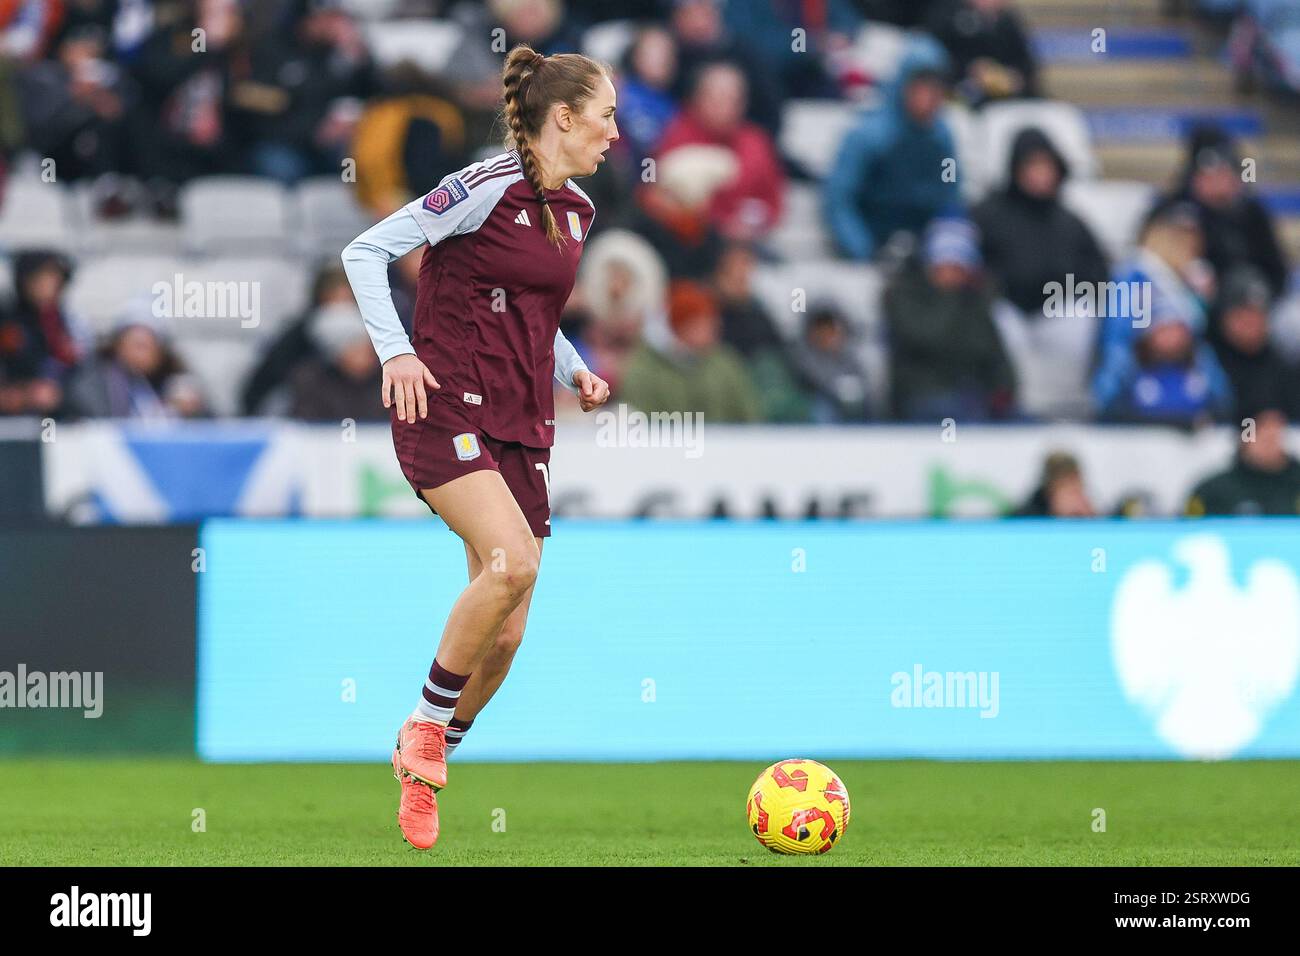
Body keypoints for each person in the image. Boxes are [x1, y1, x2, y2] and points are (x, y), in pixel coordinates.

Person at [340, 46, 614, 851]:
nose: (615, 132)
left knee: (508, 634)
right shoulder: (482, 187)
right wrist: (396, 352)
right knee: (513, 564)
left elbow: (531, 310)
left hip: (526, 422)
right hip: (443, 402)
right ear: (562, 117)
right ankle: (426, 729)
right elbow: (366, 251)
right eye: (606, 115)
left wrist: (574, 367)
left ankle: (425, 760)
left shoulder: (578, 211)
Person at [1092, 199, 1233, 426]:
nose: (1188, 241)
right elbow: (1117, 337)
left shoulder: (1195, 276)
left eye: (1192, 233)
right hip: (1140, 360)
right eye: (1178, 233)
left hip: (1186, 359)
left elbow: (1202, 332)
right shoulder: (1136, 272)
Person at [823, 35, 961, 261]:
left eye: (937, 88)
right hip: (872, 247)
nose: (931, 97)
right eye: (923, 87)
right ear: (904, 86)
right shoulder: (868, 135)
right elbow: (839, 201)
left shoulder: (942, 137)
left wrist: (944, 251)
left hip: (923, 255)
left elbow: (950, 198)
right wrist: (865, 250)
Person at [883, 217, 1016, 421]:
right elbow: (926, 338)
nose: (951, 272)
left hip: (971, 393)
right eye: (945, 264)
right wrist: (950, 297)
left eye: (958, 266)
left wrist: (1004, 390)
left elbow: (994, 353)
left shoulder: (977, 299)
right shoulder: (903, 294)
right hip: (921, 393)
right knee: (954, 412)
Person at [972, 126, 1109, 318]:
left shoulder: (1070, 221)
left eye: (1046, 165)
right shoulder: (987, 214)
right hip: (1004, 313)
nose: (1040, 173)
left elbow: (1099, 273)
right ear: (1016, 168)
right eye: (1032, 165)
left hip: (1057, 313)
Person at [619, 279, 762, 422]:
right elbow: (638, 417)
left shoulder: (725, 363)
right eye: (701, 323)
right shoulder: (645, 367)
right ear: (681, 327)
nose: (712, 329)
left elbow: (748, 414)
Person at [1187, 405, 1300, 516]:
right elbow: (1188, 528)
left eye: (1274, 435)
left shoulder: (1295, 483)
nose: (1269, 442)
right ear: (1243, 438)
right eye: (1261, 433)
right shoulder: (1213, 491)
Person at [1013, 451, 1096, 517]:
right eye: (1065, 485)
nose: (1072, 494)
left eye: (1075, 485)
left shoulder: (1085, 510)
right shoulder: (1026, 517)